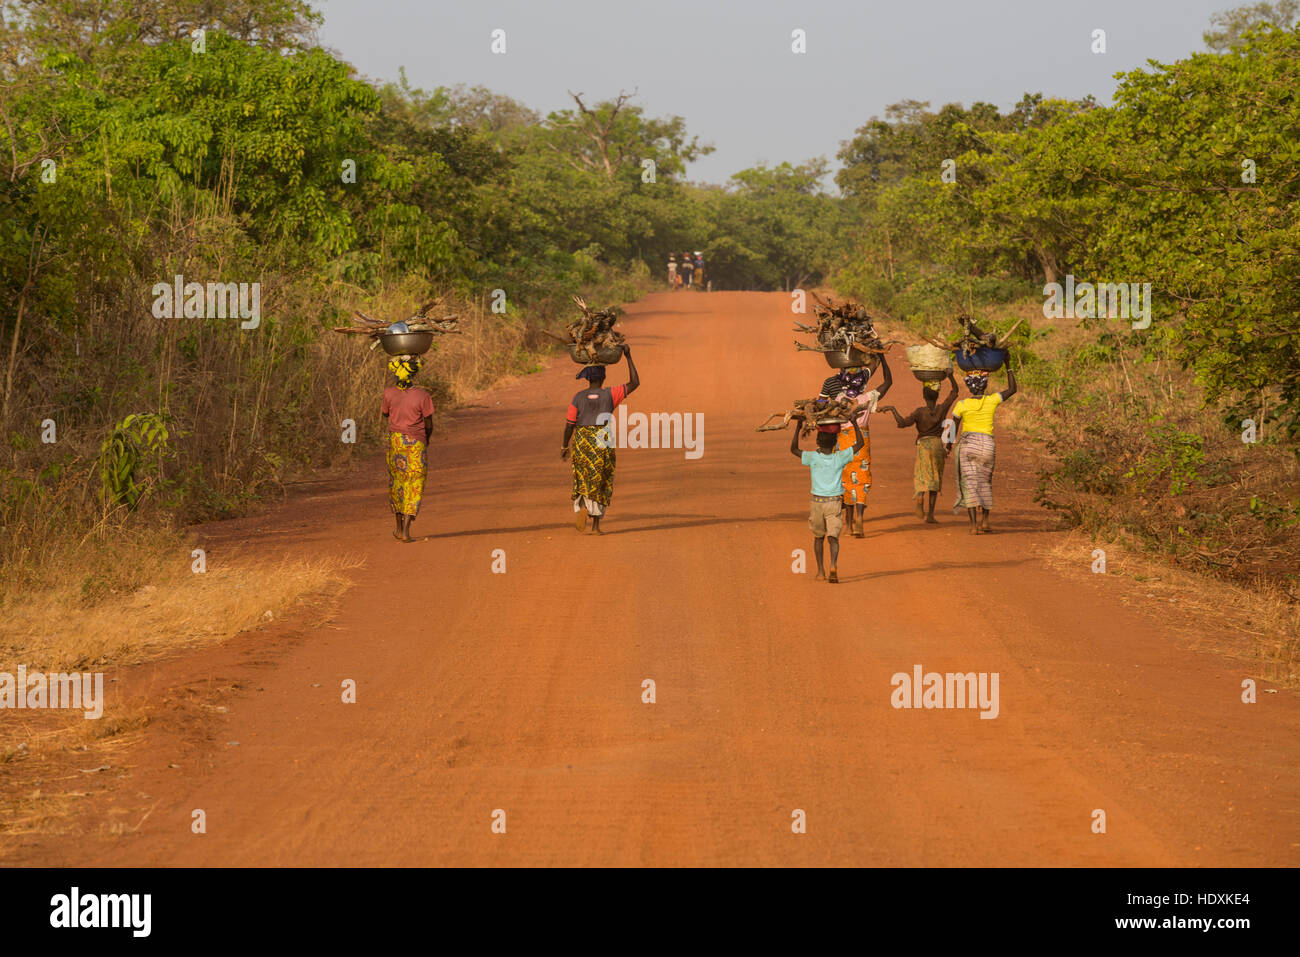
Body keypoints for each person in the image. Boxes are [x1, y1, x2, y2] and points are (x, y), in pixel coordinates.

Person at [562, 347, 641, 534]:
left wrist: (565, 445)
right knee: (600, 478)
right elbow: (635, 382)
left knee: (582, 477)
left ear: (588, 379)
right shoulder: (610, 394)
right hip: (601, 439)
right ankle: (596, 526)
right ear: (603, 377)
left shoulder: (578, 397)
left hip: (582, 440)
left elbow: (569, 425)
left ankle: (582, 506)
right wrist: (628, 356)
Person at [817, 356, 893, 538]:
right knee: (861, 481)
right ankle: (859, 519)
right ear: (862, 385)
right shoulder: (867, 398)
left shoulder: (838, 399)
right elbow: (888, 382)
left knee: (845, 482)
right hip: (861, 441)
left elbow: (821, 407)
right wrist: (882, 357)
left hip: (842, 443)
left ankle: (849, 525)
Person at [791, 414, 865, 583]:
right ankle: (833, 565)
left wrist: (798, 427)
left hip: (817, 502)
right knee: (833, 538)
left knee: (818, 537)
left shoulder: (812, 457)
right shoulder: (839, 457)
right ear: (834, 443)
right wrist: (854, 423)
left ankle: (820, 571)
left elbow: (794, 449)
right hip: (834, 503)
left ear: (818, 442)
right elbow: (859, 444)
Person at [879, 370, 959, 523]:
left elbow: (902, 424)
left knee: (922, 475)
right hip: (937, 445)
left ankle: (920, 498)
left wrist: (892, 409)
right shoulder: (942, 409)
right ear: (936, 396)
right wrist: (950, 375)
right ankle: (930, 515)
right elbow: (955, 392)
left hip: (923, 445)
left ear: (923, 396)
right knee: (935, 477)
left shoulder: (919, 412)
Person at [950, 357, 1017, 534]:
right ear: (985, 385)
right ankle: (985, 522)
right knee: (985, 482)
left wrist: (948, 445)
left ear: (969, 386)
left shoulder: (962, 405)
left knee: (970, 484)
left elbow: (953, 427)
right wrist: (1008, 365)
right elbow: (1012, 389)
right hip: (987, 445)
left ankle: (973, 526)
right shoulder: (992, 400)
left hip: (968, 445)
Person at [380, 355, 434, 543]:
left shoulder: (388, 393)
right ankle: (406, 530)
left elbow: (386, 414)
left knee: (397, 483)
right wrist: (426, 439)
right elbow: (428, 423)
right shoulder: (423, 396)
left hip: (395, 444)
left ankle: (397, 527)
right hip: (416, 443)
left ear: (396, 373)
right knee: (415, 484)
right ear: (413, 374)